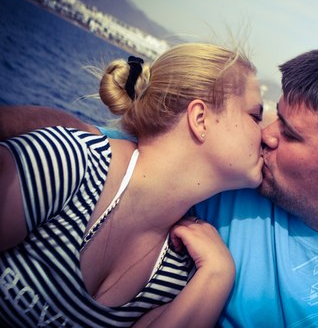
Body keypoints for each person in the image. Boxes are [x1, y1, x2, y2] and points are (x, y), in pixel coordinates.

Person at [1, 45, 318, 326]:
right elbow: (141, 149)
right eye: (267, 116)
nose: (266, 133)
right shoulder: (229, 186)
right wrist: (70, 136)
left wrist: (217, 273)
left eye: (290, 133)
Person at [0, 43, 264, 327]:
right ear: (201, 119)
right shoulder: (68, 164)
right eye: (255, 116)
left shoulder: (178, 272)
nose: (267, 135)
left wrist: (218, 273)